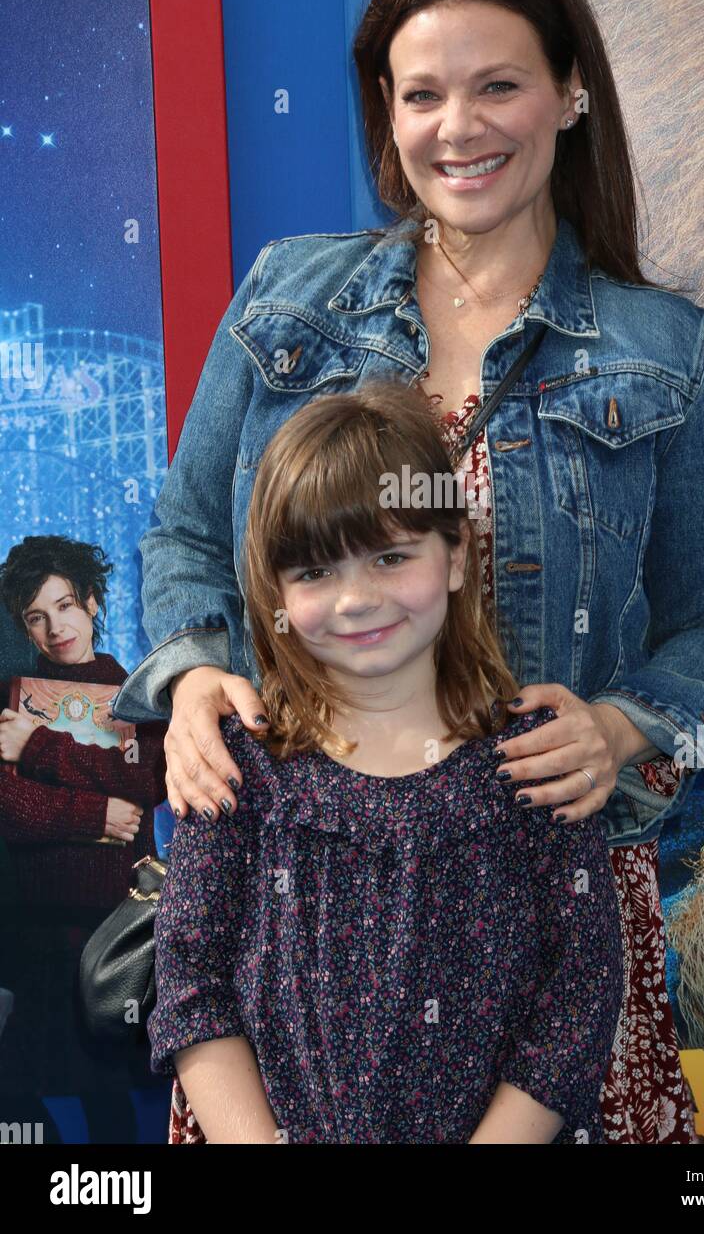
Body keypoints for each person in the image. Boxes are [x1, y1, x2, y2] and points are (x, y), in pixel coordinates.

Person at [113, 0, 704, 1144]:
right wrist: (200, 671)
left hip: (547, 925)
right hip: (298, 944)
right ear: (386, 111)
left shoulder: (671, 352)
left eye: (497, 86)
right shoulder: (285, 298)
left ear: (570, 92)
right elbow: (181, 541)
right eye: (420, 93)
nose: (457, 127)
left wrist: (621, 722)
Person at [146, 382, 625, 1143]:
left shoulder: (536, 760)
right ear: (273, 592)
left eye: (391, 556)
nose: (354, 600)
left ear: (458, 555)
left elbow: (580, 995)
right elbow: (190, 983)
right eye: (314, 573)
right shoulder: (240, 770)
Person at [0, 535, 168, 1141]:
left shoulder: (135, 693)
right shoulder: (15, 698)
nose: (55, 628)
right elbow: (13, 809)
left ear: (93, 603)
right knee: (17, 1095)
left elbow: (148, 780)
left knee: (113, 1105)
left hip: (117, 937)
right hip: (40, 940)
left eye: (66, 605)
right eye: (36, 617)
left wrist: (40, 747)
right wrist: (97, 816)